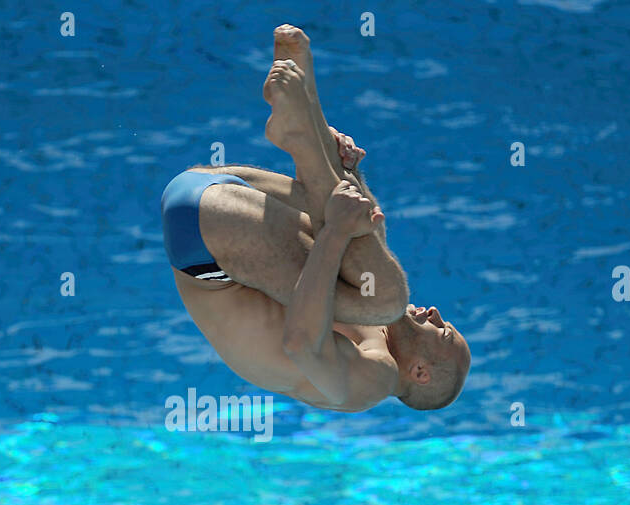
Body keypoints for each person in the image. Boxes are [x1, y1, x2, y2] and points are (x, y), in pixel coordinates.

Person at [161, 25, 470, 412]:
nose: (437, 314)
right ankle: (312, 132)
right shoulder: (369, 320)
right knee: (372, 256)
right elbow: (367, 237)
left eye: (444, 332)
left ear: (420, 373)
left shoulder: (373, 381)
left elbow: (302, 344)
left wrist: (337, 232)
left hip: (209, 252)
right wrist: (350, 176)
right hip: (208, 193)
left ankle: (305, 133)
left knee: (387, 296)